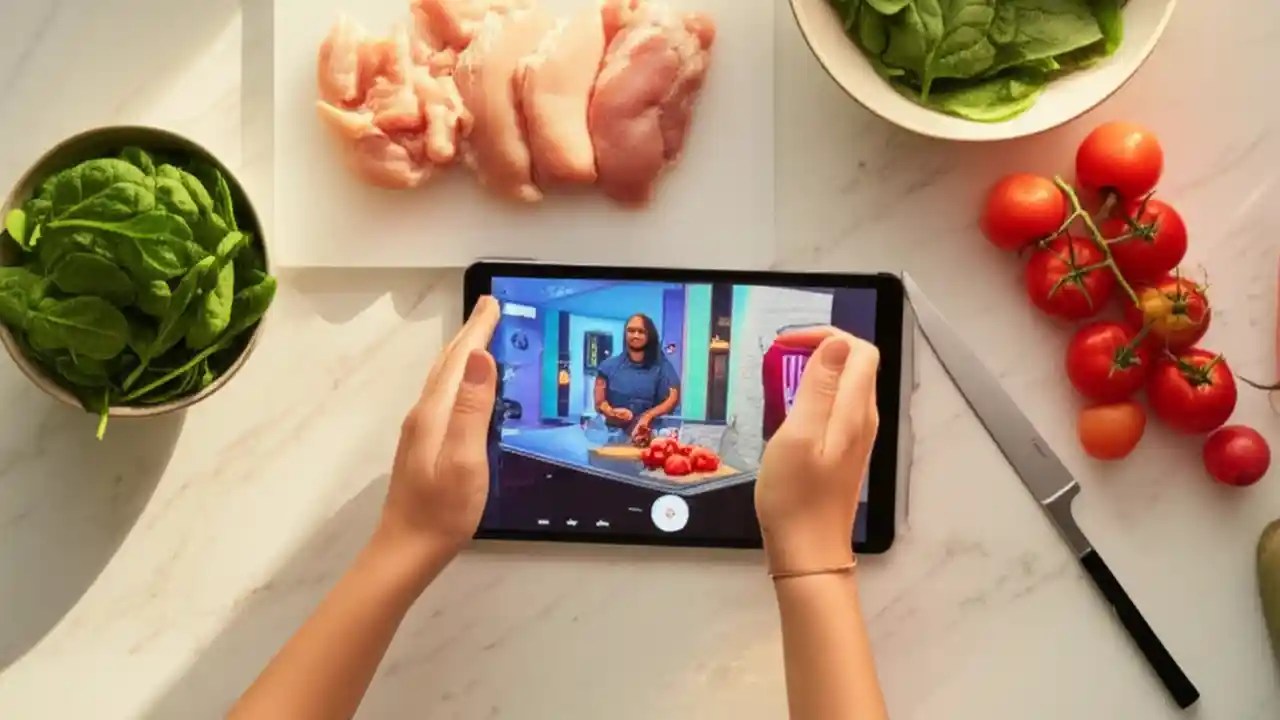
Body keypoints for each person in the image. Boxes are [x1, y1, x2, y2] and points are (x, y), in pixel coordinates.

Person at [230, 298, 889, 720]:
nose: (632, 333)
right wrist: (814, 556)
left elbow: (670, 398)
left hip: (645, 438)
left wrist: (408, 537)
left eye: (637, 327)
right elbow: (600, 395)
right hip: (610, 438)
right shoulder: (607, 364)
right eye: (627, 327)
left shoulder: (661, 365)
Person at [593, 313, 681, 443]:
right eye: (631, 331)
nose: (635, 335)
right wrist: (612, 412)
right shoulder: (608, 366)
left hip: (650, 440)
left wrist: (647, 416)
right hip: (613, 439)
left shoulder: (663, 367)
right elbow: (599, 402)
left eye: (641, 331)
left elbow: (673, 397)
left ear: (649, 335)